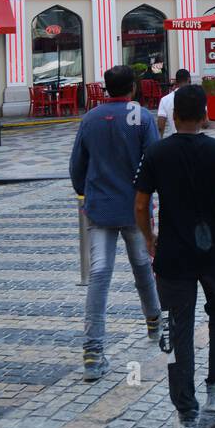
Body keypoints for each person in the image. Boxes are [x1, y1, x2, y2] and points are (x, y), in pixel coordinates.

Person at [134, 85, 215, 428]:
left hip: (172, 256)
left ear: (174, 116)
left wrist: (150, 239)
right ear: (206, 115)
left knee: (179, 328)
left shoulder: (156, 154)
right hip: (214, 254)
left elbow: (139, 203)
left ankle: (186, 411)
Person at [69, 64, 163, 380]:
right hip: (134, 208)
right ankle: (155, 324)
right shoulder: (142, 117)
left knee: (99, 273)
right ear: (133, 88)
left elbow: (76, 166)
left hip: (99, 208)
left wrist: (87, 191)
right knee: (141, 266)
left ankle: (93, 353)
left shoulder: (90, 118)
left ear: (107, 89)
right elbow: (154, 162)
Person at [156, 68, 191, 137]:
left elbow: (160, 127)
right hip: (194, 142)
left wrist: (159, 144)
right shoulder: (197, 96)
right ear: (189, 79)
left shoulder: (165, 100)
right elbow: (205, 124)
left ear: (176, 81)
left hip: (175, 140)